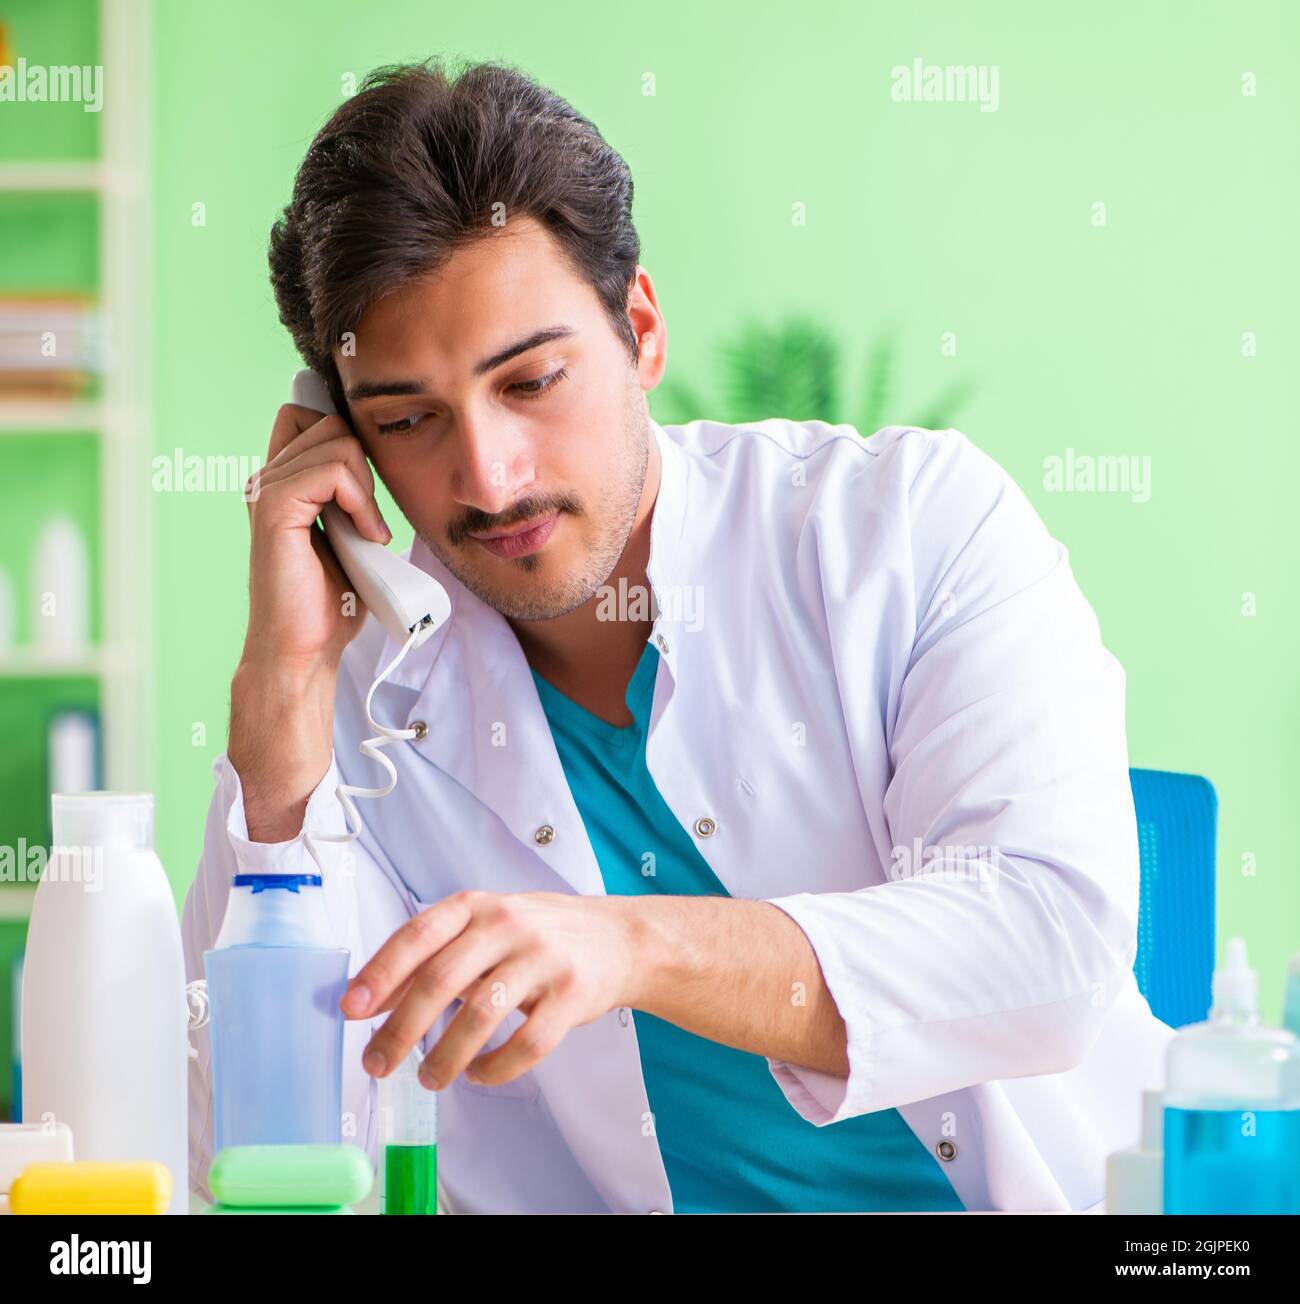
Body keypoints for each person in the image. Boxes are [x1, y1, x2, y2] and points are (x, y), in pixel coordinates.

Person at [182, 57, 1172, 1214]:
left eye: (533, 380)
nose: (489, 475)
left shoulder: (908, 527)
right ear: (342, 440)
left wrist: (631, 947)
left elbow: (1046, 946)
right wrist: (282, 715)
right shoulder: (366, 696)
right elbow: (252, 1155)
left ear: (640, 331)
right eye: (409, 419)